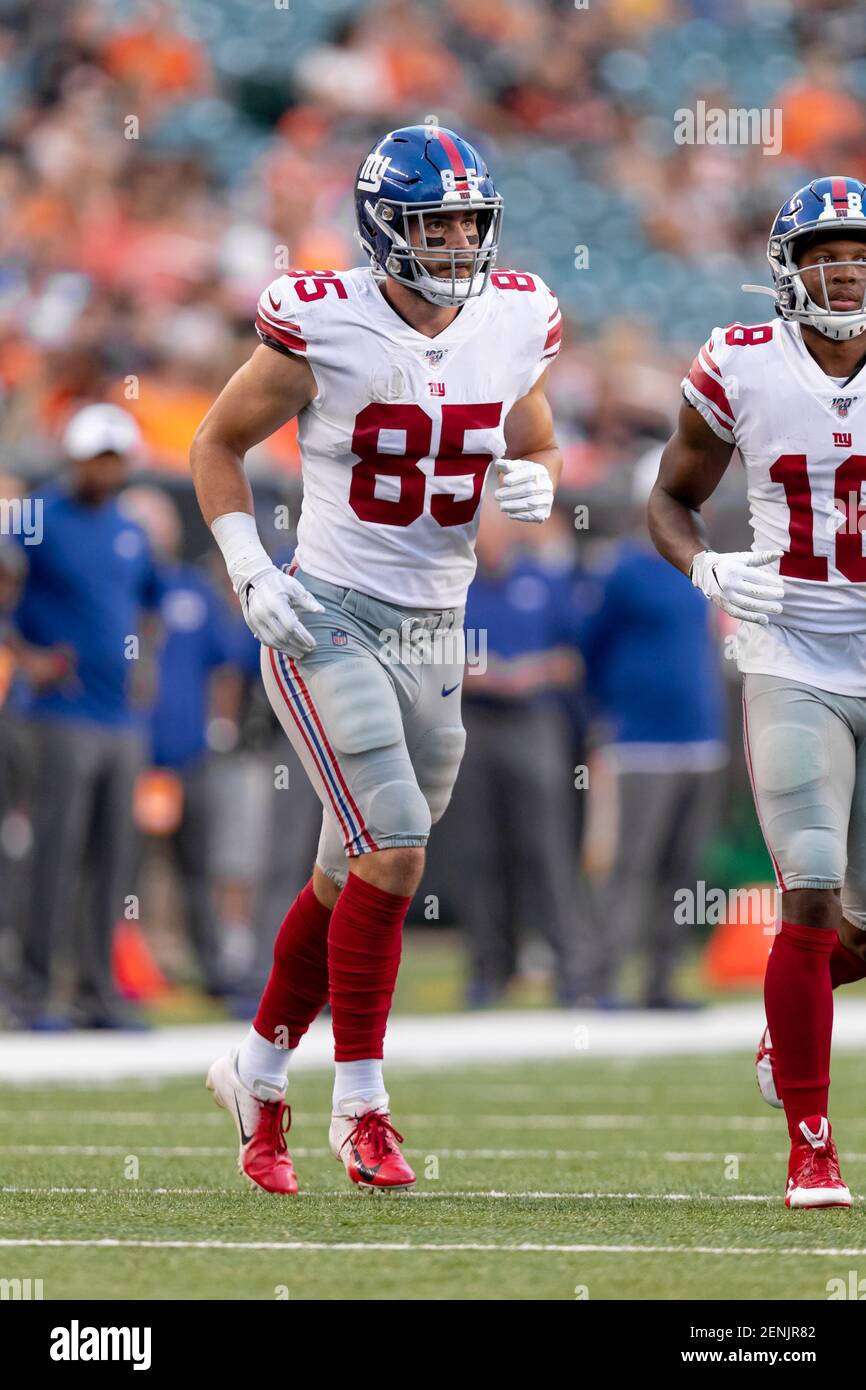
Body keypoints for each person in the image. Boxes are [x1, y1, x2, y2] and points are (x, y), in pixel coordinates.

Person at [191, 124, 563, 1193]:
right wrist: (247, 566)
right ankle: (361, 1104)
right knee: (394, 843)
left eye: (466, 220)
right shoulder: (325, 321)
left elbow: (529, 432)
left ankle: (257, 1068)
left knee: (344, 869)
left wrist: (537, 473)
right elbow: (215, 441)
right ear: (383, 228)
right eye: (433, 221)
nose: (454, 239)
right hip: (327, 614)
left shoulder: (515, 317)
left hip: (436, 629)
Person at [648, 176, 866, 1209]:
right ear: (787, 271)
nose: (846, 269)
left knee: (833, 935)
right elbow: (669, 498)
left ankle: (790, 1018)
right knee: (811, 889)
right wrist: (704, 568)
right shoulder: (739, 364)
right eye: (826, 252)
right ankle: (809, 1142)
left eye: (857, 251)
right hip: (791, 656)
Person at [9, 404, 162, 1028]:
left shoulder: (128, 528)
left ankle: (96, 992)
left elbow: (152, 599)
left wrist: (146, 659)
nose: (106, 468)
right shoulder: (39, 515)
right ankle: (27, 992)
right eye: (97, 456)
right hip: (59, 712)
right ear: (73, 457)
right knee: (54, 853)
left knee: (113, 860)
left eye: (115, 458)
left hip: (119, 719)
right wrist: (24, 655)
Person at [580, 447, 728, 1008]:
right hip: (642, 740)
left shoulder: (704, 565)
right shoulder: (622, 569)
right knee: (629, 866)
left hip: (699, 736)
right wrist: (611, 711)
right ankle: (601, 980)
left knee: (682, 869)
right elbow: (590, 647)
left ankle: (661, 980)